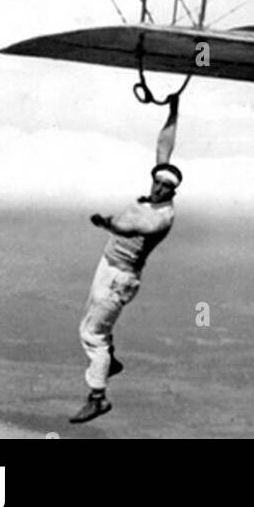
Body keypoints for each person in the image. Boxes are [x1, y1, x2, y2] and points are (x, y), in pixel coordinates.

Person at [69, 95, 181, 424]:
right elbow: (164, 148)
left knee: (93, 336)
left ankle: (98, 397)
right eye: (157, 182)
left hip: (119, 276)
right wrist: (174, 110)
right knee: (90, 328)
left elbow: (125, 225)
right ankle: (109, 362)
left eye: (165, 187)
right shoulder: (156, 198)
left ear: (172, 193)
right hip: (110, 267)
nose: (159, 189)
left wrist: (105, 222)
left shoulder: (160, 217)